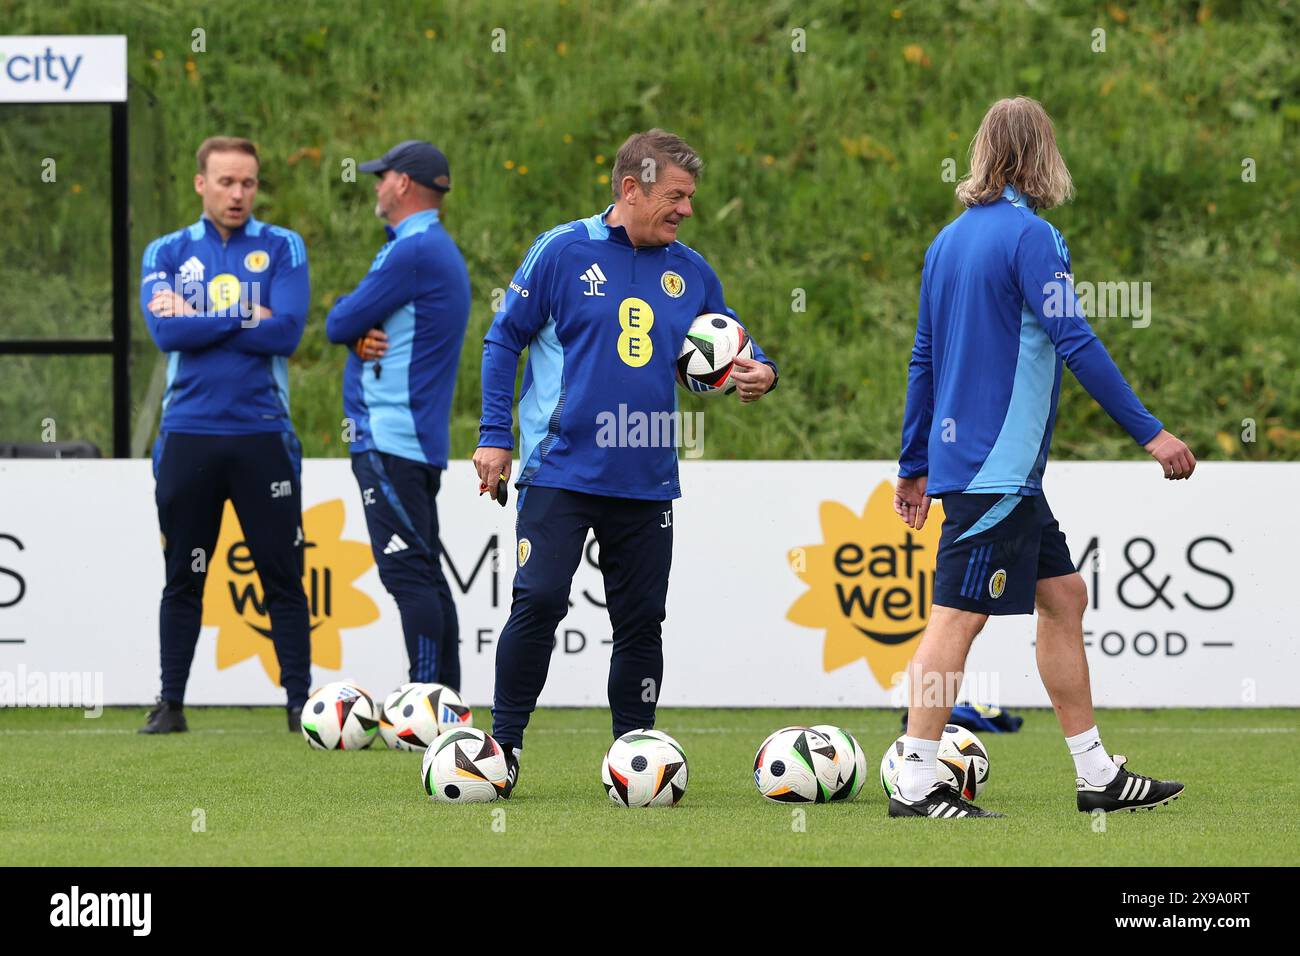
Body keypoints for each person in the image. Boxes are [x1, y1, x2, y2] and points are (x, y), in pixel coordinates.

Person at [891, 97, 1195, 818]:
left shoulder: (948, 241)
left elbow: (923, 357)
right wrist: (1150, 432)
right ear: (1037, 156)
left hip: (990, 469)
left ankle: (1098, 776)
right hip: (997, 468)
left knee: (1064, 598)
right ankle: (914, 780)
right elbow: (1076, 341)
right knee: (955, 621)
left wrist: (912, 461)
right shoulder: (1032, 237)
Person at [474, 128, 779, 796]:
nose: (687, 210)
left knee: (640, 621)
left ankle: (633, 753)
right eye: (677, 195)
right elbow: (504, 341)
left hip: (646, 478)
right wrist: (495, 436)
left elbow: (731, 348)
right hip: (560, 470)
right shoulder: (562, 251)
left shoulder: (692, 271)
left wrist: (760, 374)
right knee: (540, 600)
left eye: (691, 198)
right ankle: (504, 747)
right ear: (630, 188)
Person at [139, 136, 311, 734]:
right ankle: (171, 704)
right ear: (201, 184)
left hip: (262, 434)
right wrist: (244, 315)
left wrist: (200, 320)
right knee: (185, 574)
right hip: (187, 435)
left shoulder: (283, 246)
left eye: (248, 183)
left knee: (282, 574)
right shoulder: (165, 252)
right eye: (226, 182)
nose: (238, 194)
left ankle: (299, 706)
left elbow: (286, 332)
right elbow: (166, 334)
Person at [325, 140, 470, 689]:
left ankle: (428, 701)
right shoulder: (431, 248)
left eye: (380, 176)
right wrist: (361, 333)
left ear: (403, 183)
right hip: (412, 439)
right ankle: (444, 700)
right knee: (424, 573)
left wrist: (353, 330)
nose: (376, 186)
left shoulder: (412, 249)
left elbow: (338, 322)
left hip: (390, 436)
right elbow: (356, 327)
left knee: (409, 573)